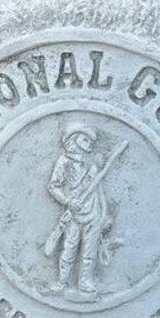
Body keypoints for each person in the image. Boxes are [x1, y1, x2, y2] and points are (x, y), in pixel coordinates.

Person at [46, 123, 110, 294]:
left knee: (90, 251)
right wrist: (67, 202)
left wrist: (104, 214)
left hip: (93, 212)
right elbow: (53, 187)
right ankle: (62, 281)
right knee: (69, 247)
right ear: (74, 140)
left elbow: (99, 190)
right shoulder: (64, 161)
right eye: (85, 139)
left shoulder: (92, 164)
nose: (89, 143)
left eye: (90, 140)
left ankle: (85, 281)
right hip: (74, 214)